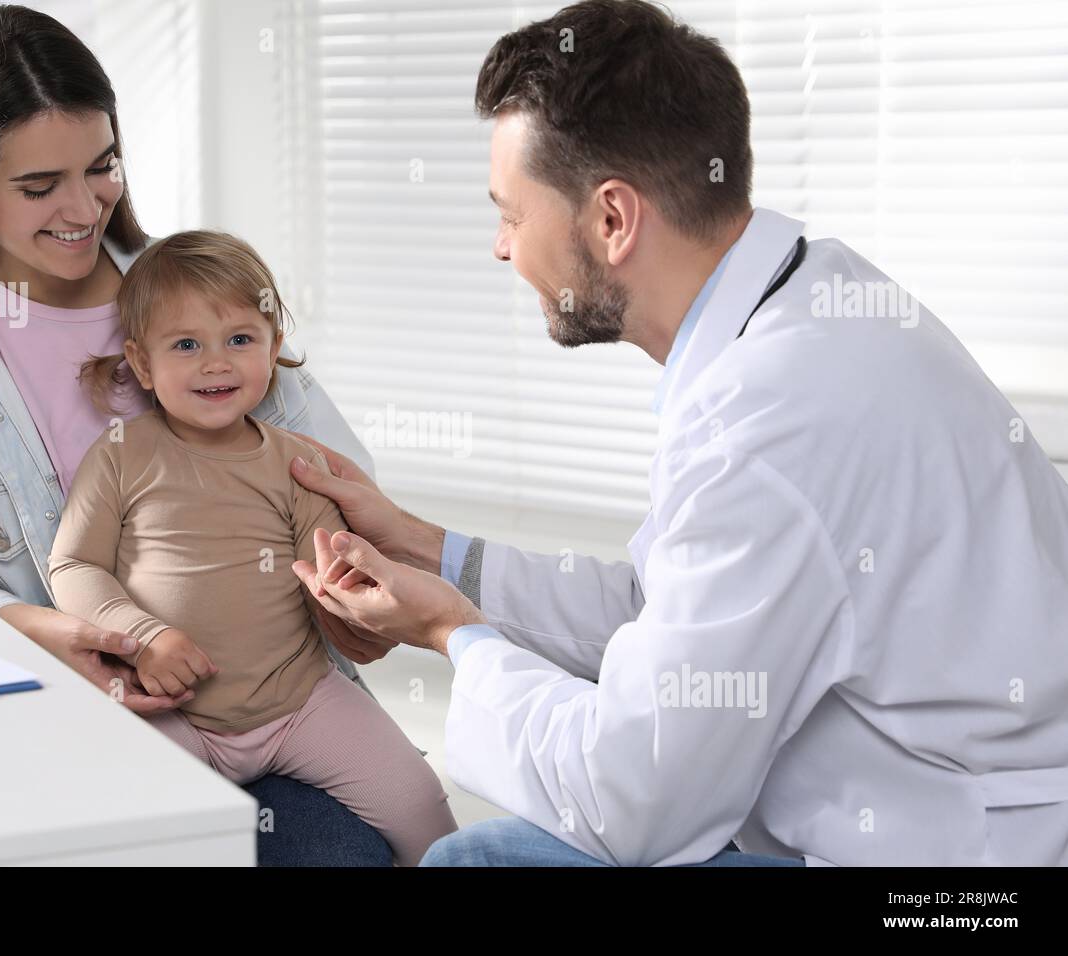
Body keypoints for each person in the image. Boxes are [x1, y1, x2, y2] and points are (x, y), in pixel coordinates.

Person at [287, 0, 1068, 866]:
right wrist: (433, 552)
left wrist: (454, 639)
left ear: (612, 219)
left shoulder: (770, 423)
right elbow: (666, 612)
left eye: (511, 213)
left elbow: (635, 802)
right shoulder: (811, 303)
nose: (502, 249)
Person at [0, 4, 392, 865]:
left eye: (101, 166)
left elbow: (349, 501)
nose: (82, 207)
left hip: (281, 720)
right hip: (66, 743)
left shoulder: (208, 304)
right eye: (39, 187)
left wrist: (356, 598)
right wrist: (48, 632)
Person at [47, 230, 458, 865]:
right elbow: (73, 565)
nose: (216, 362)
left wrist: (351, 609)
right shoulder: (122, 455)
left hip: (299, 702)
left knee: (421, 804)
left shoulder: (297, 462)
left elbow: (329, 570)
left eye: (240, 339)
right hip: (171, 711)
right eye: (187, 345)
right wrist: (142, 635)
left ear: (272, 349)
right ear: (143, 362)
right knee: (110, 824)